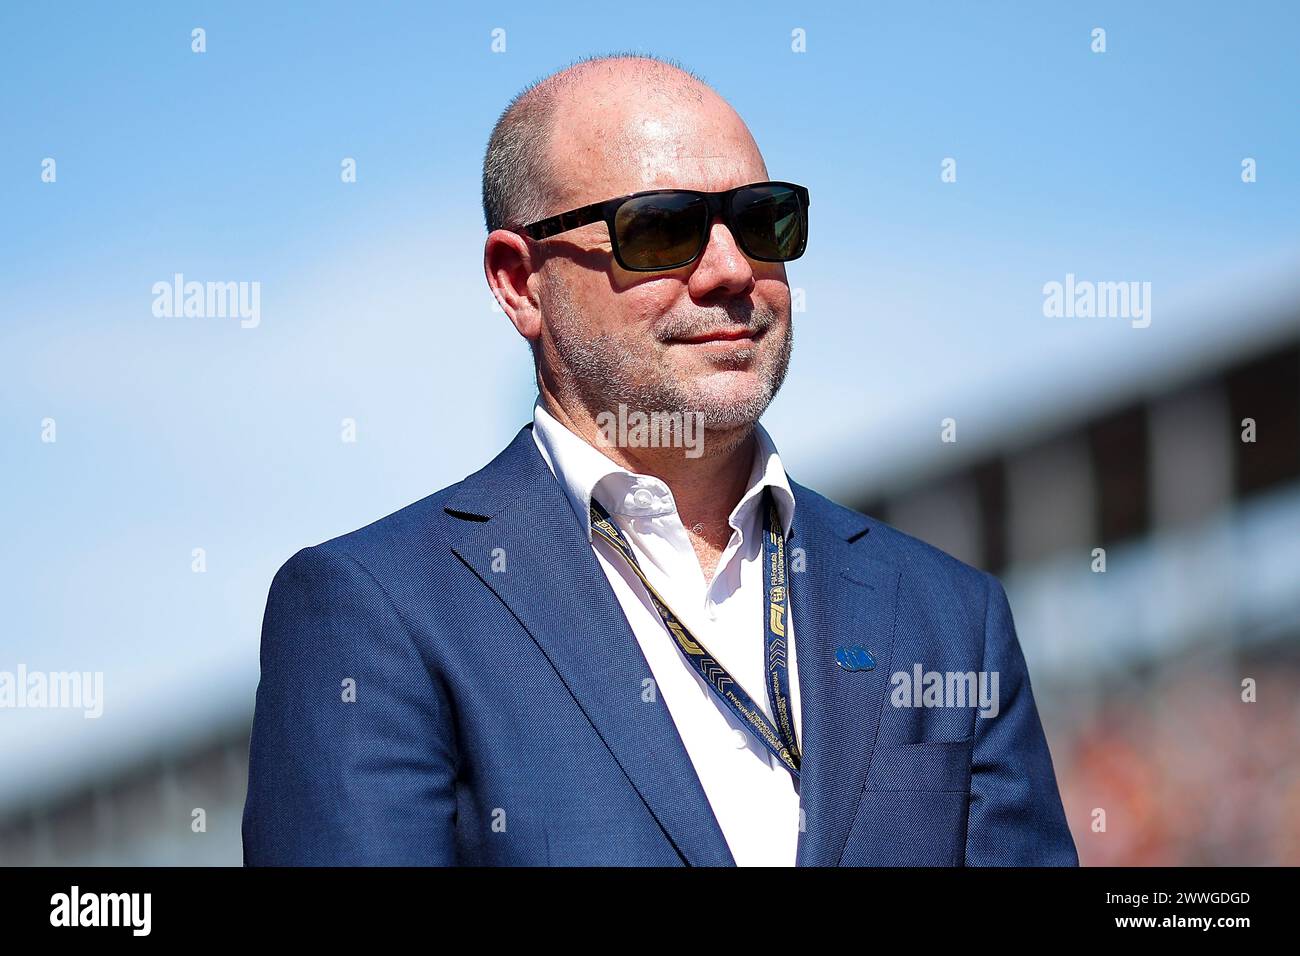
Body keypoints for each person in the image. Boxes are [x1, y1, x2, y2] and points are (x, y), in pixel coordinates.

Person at [242, 53, 1077, 867]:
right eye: (662, 227)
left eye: (763, 219)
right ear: (520, 281)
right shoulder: (378, 611)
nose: (731, 268)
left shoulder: (947, 616)